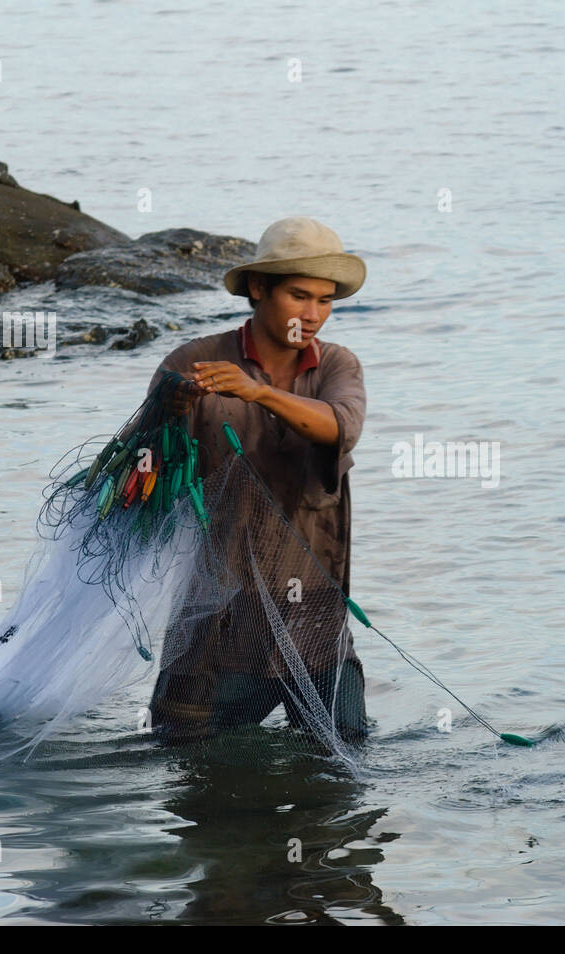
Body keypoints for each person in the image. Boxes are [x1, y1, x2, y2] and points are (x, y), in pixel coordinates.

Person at [145, 216, 370, 742]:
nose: (313, 316)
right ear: (257, 288)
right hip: (217, 631)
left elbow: (342, 426)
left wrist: (259, 393)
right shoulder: (192, 362)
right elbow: (149, 473)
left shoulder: (338, 365)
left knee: (344, 772)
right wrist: (170, 409)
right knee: (189, 774)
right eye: (298, 296)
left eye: (325, 300)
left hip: (316, 623)